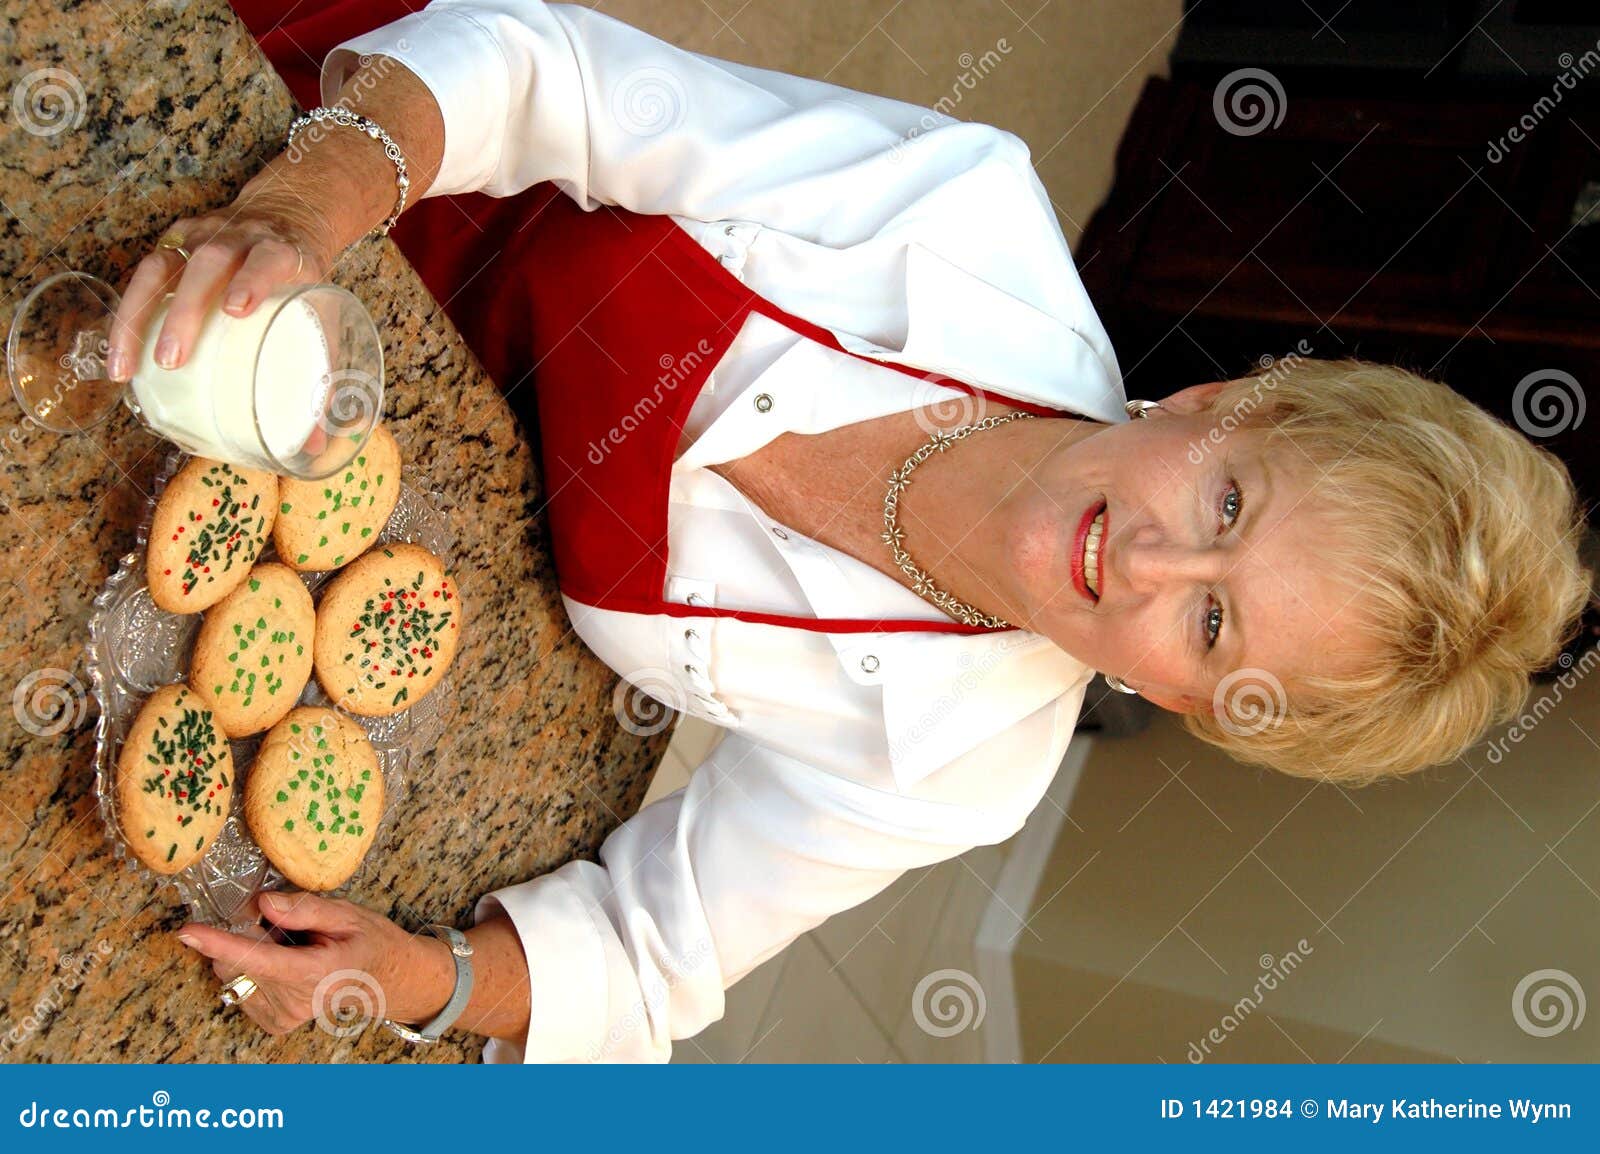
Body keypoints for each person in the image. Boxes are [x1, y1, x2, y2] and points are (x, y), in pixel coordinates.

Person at [108, 0, 1591, 1061]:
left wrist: (419, 977)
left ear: (1189, 701)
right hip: (363, 156)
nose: (1148, 564)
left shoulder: (960, 768)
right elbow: (540, 72)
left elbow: (654, 952)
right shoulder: (957, 220)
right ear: (1217, 405)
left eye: (1212, 622)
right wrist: (313, 198)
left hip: (335, 501)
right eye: (1224, 508)